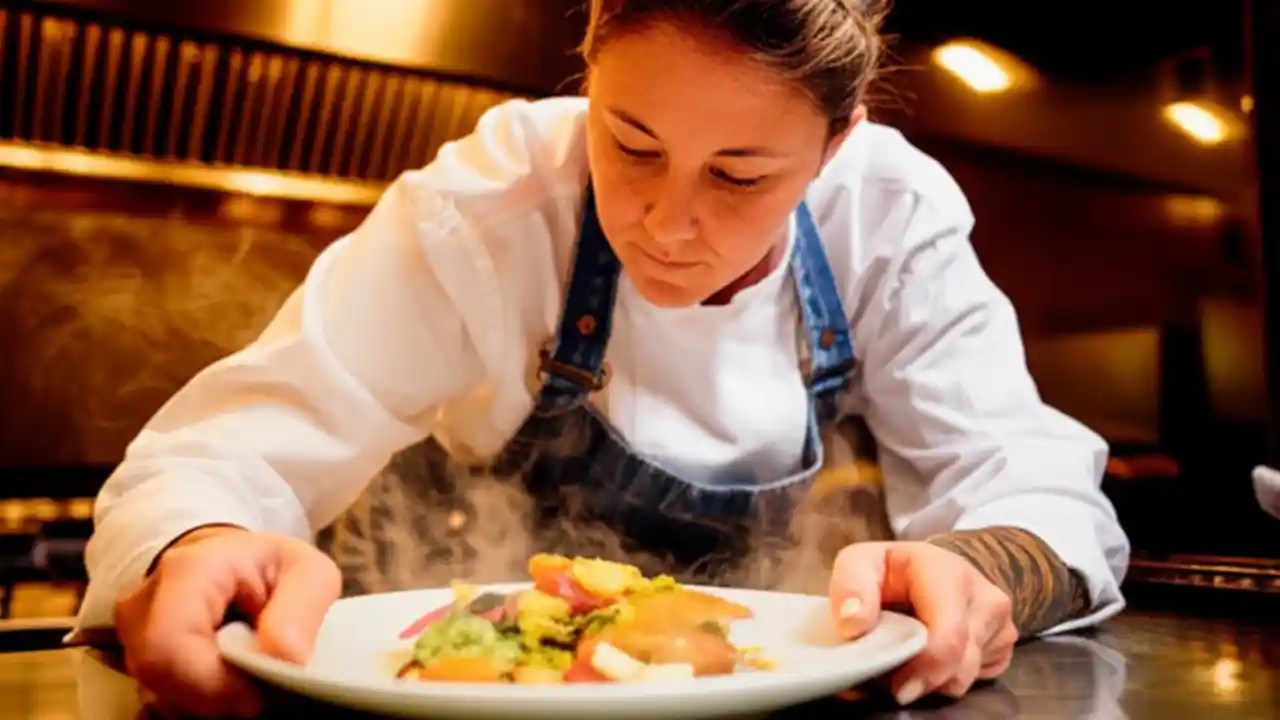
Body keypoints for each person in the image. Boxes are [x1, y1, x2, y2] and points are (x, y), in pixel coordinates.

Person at [73, 0, 1130, 717]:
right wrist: (198, 541)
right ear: (587, 63)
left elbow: (1034, 488)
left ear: (835, 145)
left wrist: (979, 568)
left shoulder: (888, 217)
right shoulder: (485, 208)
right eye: (630, 145)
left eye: (739, 176)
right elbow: (222, 453)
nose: (667, 223)